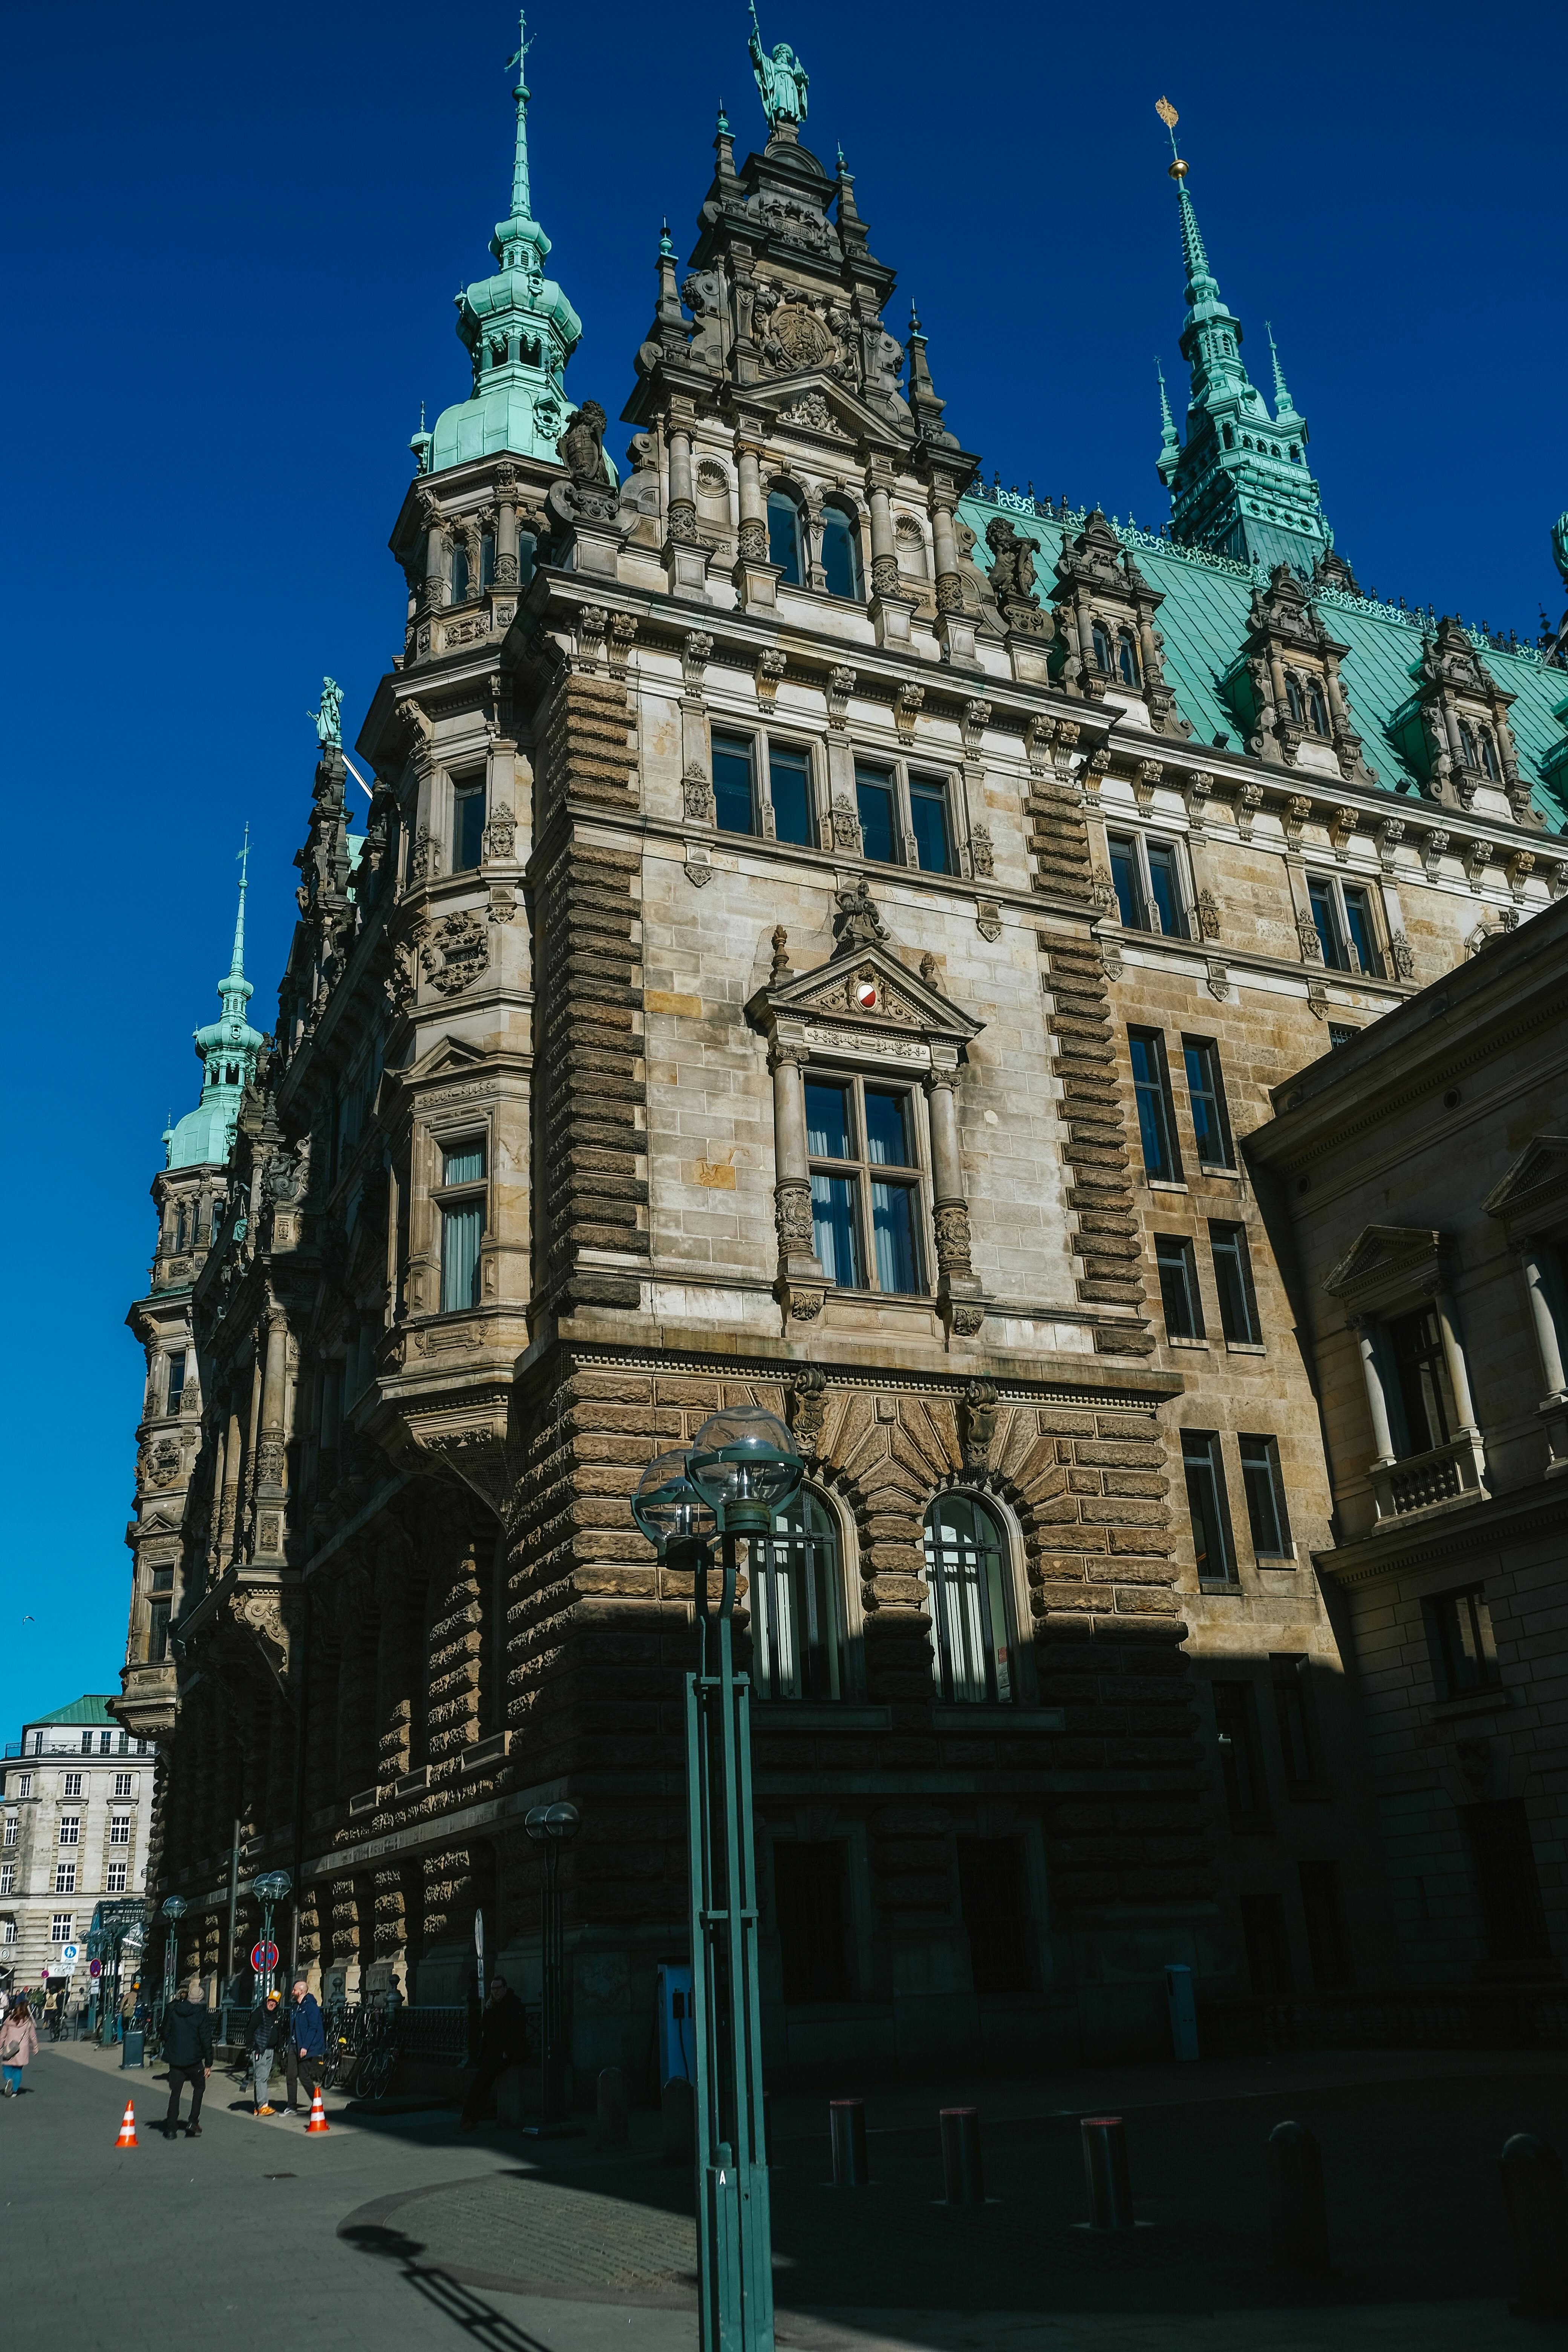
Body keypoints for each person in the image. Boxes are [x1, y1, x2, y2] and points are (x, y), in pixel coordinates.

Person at [458, 1974, 530, 2132]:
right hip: (493, 2053)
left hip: (507, 2054)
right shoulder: (494, 2006)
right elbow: (485, 2028)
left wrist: (507, 2053)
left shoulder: (514, 2004)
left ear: (505, 1989)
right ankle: (467, 2117)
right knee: (481, 2082)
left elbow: (517, 2032)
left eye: (498, 1988)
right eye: (493, 1989)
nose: (496, 1992)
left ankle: (471, 2118)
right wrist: (488, 2010)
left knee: (484, 2080)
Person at [161, 1977, 213, 2139]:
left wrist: (173, 2045)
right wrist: (209, 2063)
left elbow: (165, 2032)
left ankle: (171, 2129)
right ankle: (192, 2121)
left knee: (175, 2093)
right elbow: (206, 2039)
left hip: (176, 2060)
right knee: (199, 2088)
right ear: (200, 2000)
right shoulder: (201, 2014)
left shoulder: (175, 2010)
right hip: (194, 2060)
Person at [283, 1976, 325, 2115]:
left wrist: (305, 2046)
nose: (292, 1992)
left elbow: (313, 2027)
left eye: (294, 1990)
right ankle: (292, 2106)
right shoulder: (296, 2007)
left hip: (305, 2047)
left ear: (301, 1991)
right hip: (294, 2046)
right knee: (291, 2076)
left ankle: (317, 2103)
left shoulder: (311, 2006)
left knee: (304, 2077)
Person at [247, 1988, 286, 2116]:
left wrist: (280, 2047)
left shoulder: (276, 2014)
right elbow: (250, 2030)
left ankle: (257, 2107)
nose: (272, 2004)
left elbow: (279, 2032)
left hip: (270, 2050)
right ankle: (263, 2105)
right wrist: (251, 2048)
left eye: (275, 2003)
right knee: (262, 2078)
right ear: (267, 1999)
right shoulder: (259, 2013)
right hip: (260, 2049)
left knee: (262, 2078)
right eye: (271, 2001)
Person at [0, 1995, 38, 2095]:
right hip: (22, 2049)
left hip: (9, 2048)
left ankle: (9, 2079)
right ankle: (15, 2091)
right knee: (18, 2070)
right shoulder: (28, 2022)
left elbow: (2, 2036)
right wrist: (35, 2049)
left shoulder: (9, 2020)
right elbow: (33, 2037)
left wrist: (0, 2049)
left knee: (7, 2068)